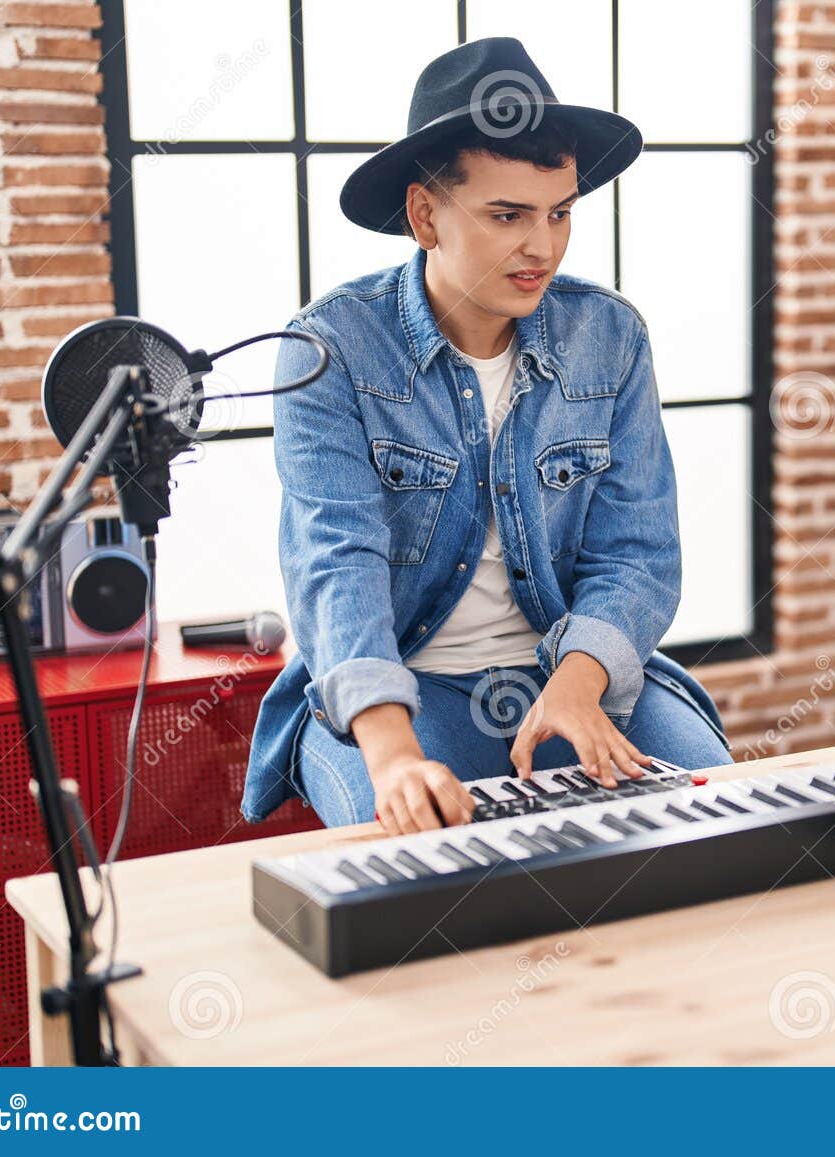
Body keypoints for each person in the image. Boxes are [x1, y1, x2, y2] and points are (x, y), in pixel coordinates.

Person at [242, 37, 732, 837]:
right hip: (404, 687)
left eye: (561, 212)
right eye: (508, 215)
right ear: (425, 213)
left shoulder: (611, 338)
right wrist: (393, 752)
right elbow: (336, 562)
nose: (542, 246)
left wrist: (578, 684)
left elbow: (638, 554)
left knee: (711, 822)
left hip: (567, 670)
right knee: (426, 868)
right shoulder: (328, 349)